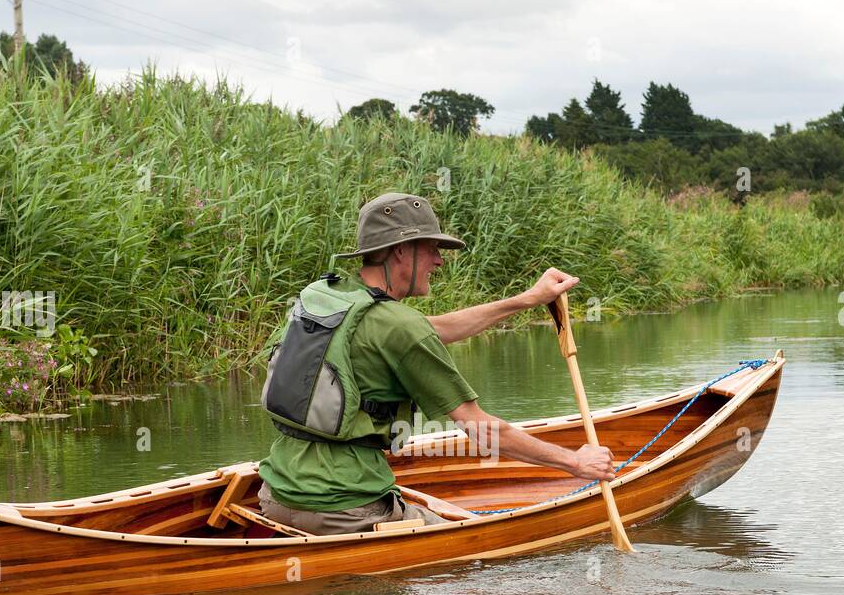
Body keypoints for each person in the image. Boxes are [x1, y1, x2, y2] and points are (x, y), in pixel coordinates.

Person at [256, 191, 615, 534]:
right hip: (344, 508)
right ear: (400, 252)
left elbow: (433, 328)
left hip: (275, 493)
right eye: (431, 250)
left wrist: (527, 300)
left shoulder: (333, 297)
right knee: (477, 557)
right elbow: (480, 429)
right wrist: (576, 462)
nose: (439, 261)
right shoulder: (399, 326)